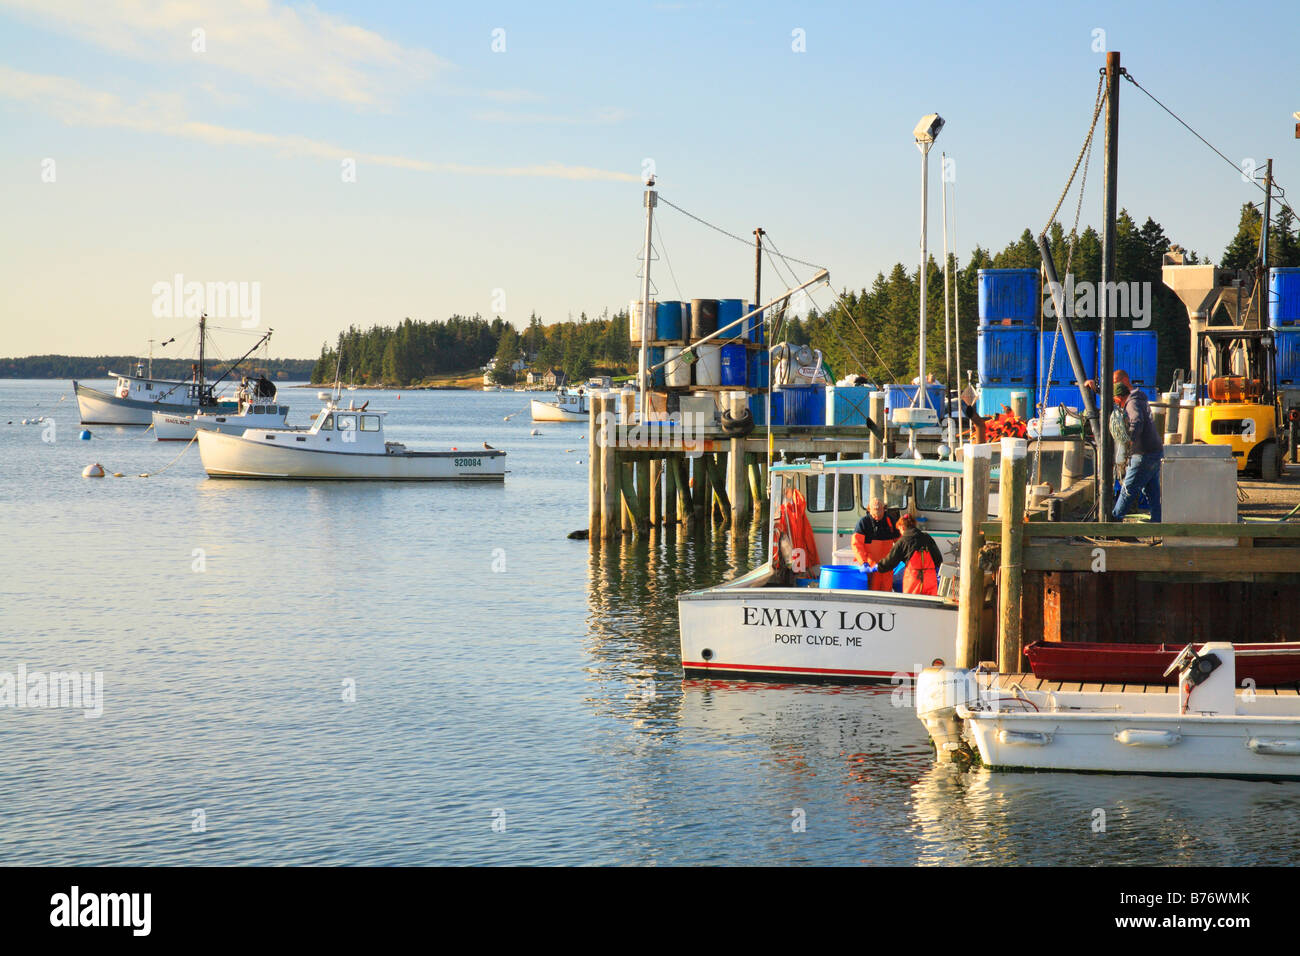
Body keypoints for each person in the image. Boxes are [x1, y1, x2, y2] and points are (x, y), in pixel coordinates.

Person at [1112, 382, 1163, 523]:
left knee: (1128, 488)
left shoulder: (1131, 404)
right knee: (1152, 490)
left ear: (1119, 398)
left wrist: (1130, 439)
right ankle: (1157, 522)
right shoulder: (1139, 400)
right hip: (1155, 451)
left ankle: (1113, 521)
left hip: (1143, 453)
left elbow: (1136, 420)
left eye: (1115, 401)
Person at [865, 513, 944, 596]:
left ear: (902, 527)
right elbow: (938, 558)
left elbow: (891, 560)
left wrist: (878, 567)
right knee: (930, 603)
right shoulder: (927, 537)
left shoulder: (903, 541)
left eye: (899, 530)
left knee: (912, 603)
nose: (900, 533)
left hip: (913, 580)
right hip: (930, 579)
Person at [852, 497, 899, 591]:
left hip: (887, 566)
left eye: (879, 508)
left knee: (887, 592)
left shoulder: (890, 521)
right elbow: (857, 545)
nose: (877, 510)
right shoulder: (863, 523)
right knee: (871, 591)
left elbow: (900, 542)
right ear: (869, 509)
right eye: (875, 508)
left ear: (884, 509)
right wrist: (863, 562)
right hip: (871, 567)